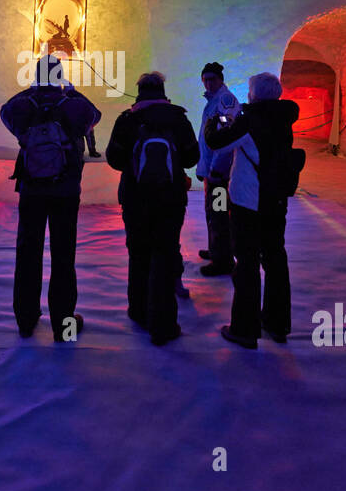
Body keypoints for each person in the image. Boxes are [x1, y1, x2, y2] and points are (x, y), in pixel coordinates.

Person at [0, 53, 101, 340]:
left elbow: (5, 112)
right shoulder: (73, 105)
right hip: (65, 190)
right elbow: (95, 115)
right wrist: (69, 90)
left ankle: (25, 319)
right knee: (63, 255)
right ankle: (63, 324)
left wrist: (33, 91)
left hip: (31, 189)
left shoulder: (22, 105)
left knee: (27, 252)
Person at [204, 72, 301, 348]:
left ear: (254, 94)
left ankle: (244, 329)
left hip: (248, 202)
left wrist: (213, 124)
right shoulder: (284, 118)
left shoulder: (251, 120)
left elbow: (217, 143)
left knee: (246, 263)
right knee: (275, 260)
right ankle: (276, 322)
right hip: (276, 200)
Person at [105, 72, 199, 345]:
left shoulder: (127, 119)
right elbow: (192, 156)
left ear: (139, 92)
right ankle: (164, 324)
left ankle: (138, 310)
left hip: (136, 197)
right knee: (166, 252)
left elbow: (114, 158)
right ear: (162, 91)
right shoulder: (178, 118)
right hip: (170, 198)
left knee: (138, 252)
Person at [195, 62, 239, 277]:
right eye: (205, 79)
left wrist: (216, 170)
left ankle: (223, 260)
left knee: (219, 213)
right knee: (213, 212)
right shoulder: (214, 101)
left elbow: (224, 139)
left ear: (221, 79)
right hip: (212, 172)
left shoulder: (225, 101)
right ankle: (216, 249)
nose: (208, 83)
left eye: (212, 79)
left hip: (219, 174)